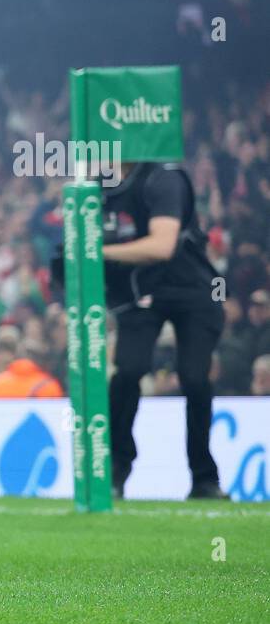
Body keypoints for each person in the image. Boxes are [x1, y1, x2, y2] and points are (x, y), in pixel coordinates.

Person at [101, 161, 226, 499]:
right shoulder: (97, 186)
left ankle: (204, 478)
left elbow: (162, 245)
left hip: (197, 289)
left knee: (195, 376)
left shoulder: (164, 177)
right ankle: (114, 472)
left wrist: (95, 252)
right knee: (128, 370)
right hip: (140, 294)